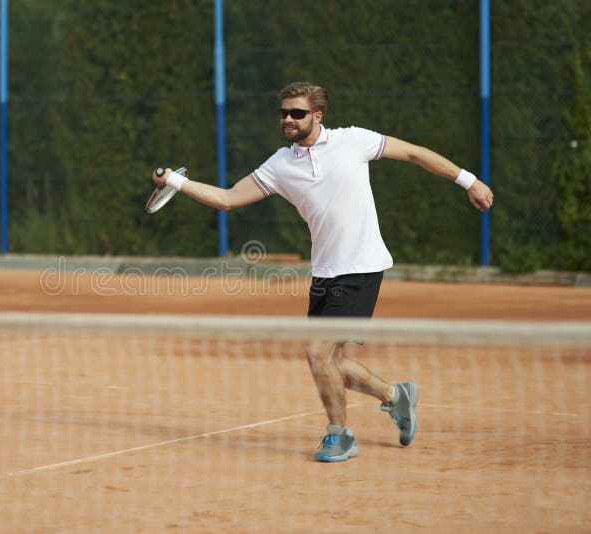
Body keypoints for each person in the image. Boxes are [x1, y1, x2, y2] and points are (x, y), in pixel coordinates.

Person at [152, 81, 494, 462]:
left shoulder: (354, 141)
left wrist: (469, 180)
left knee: (316, 351)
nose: (288, 119)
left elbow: (413, 153)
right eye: (283, 112)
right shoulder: (280, 165)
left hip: (362, 266)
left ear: (317, 115)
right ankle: (396, 396)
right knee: (330, 361)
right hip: (325, 271)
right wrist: (177, 182)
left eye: (297, 113)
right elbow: (228, 199)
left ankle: (340, 435)